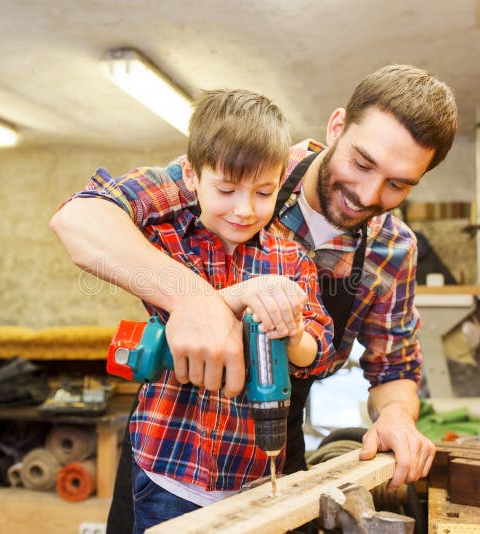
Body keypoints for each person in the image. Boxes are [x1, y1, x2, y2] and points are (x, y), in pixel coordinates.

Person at [51, 64, 458, 532]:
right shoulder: (248, 161)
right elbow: (81, 220)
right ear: (337, 127)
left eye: (398, 184)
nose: (367, 194)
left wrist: (396, 416)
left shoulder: (394, 249)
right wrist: (199, 302)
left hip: (269, 445)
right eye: (362, 164)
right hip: (171, 444)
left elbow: (395, 370)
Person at [92, 88, 337, 531]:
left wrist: (294, 333)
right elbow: (96, 216)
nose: (244, 210)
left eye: (263, 192)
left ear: (281, 181)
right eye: (226, 189)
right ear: (191, 175)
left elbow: (320, 354)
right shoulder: (165, 242)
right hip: (170, 471)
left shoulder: (291, 260)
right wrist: (233, 297)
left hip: (256, 478)